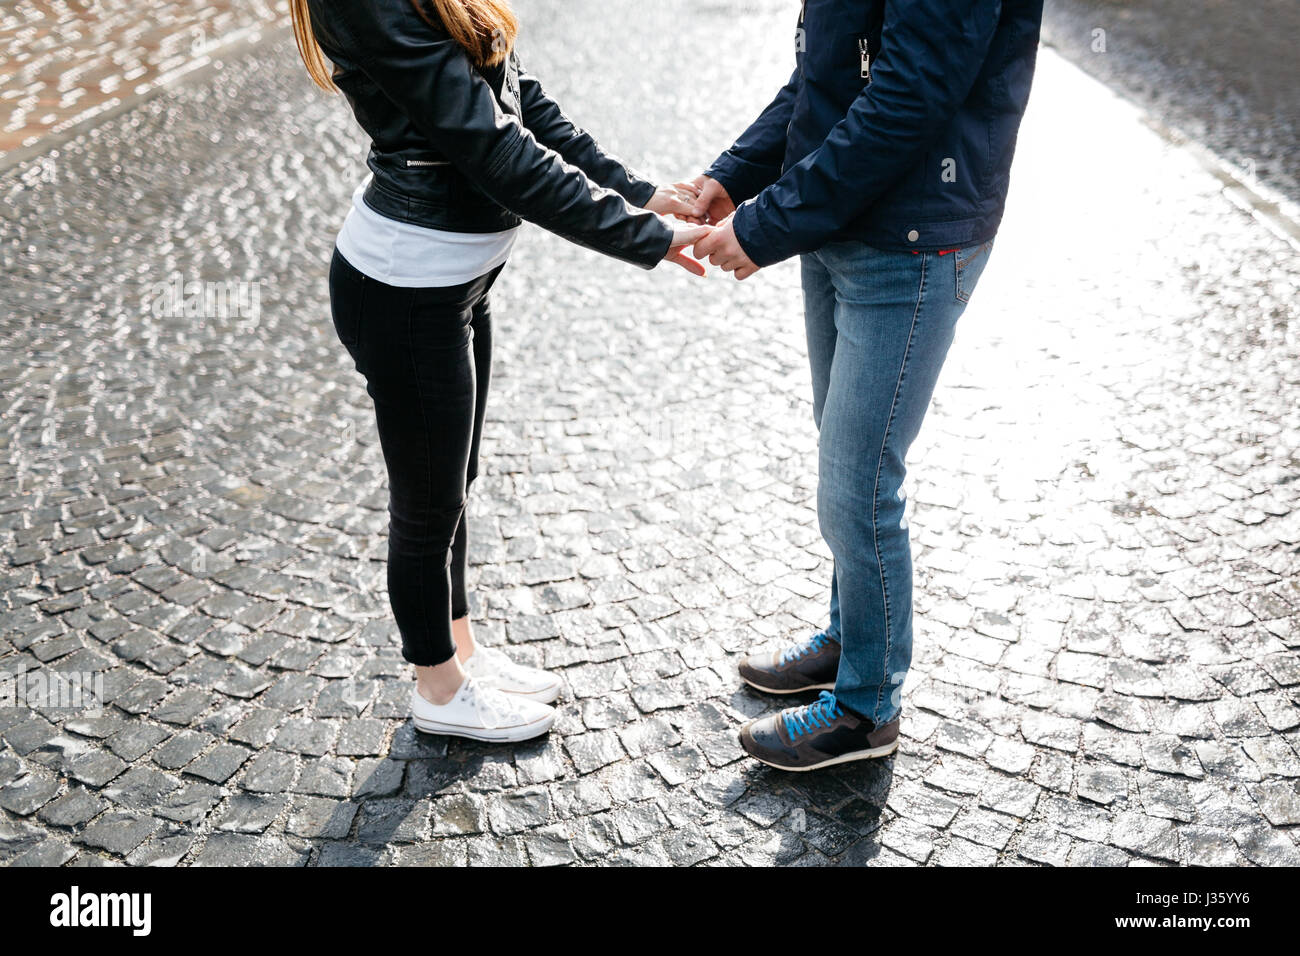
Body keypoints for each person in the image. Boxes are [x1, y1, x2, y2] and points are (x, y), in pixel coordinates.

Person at [290, 0, 710, 742]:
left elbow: (520, 100)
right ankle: (439, 689)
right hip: (406, 289)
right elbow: (492, 150)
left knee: (457, 485)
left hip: (457, 284)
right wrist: (642, 235)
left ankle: (463, 652)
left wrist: (635, 188)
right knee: (426, 507)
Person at [691, 0, 1046, 771]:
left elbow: (907, 98)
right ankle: (852, 639)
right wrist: (734, 174)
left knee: (859, 486)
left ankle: (865, 707)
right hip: (840, 220)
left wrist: (765, 225)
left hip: (910, 238)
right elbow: (824, 73)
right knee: (844, 461)